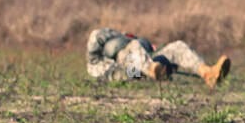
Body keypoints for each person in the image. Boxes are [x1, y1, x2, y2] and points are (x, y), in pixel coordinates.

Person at [85, 28, 232, 87]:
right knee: (136, 46)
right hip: (132, 70)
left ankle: (208, 72)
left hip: (149, 60)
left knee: (178, 46)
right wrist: (129, 75)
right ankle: (152, 70)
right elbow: (96, 36)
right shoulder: (97, 64)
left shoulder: (133, 41)